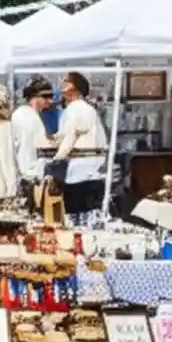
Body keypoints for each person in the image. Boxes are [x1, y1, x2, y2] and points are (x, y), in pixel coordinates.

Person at [53, 71, 109, 227]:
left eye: (66, 83)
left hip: (80, 171)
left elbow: (69, 137)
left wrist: (56, 161)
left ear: (74, 89)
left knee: (76, 215)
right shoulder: (88, 110)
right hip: (93, 169)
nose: (62, 86)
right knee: (91, 215)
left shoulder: (75, 110)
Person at [11, 77, 54, 210]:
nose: (50, 101)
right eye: (46, 96)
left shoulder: (28, 115)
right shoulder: (26, 117)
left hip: (30, 176)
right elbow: (27, 149)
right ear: (34, 97)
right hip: (30, 178)